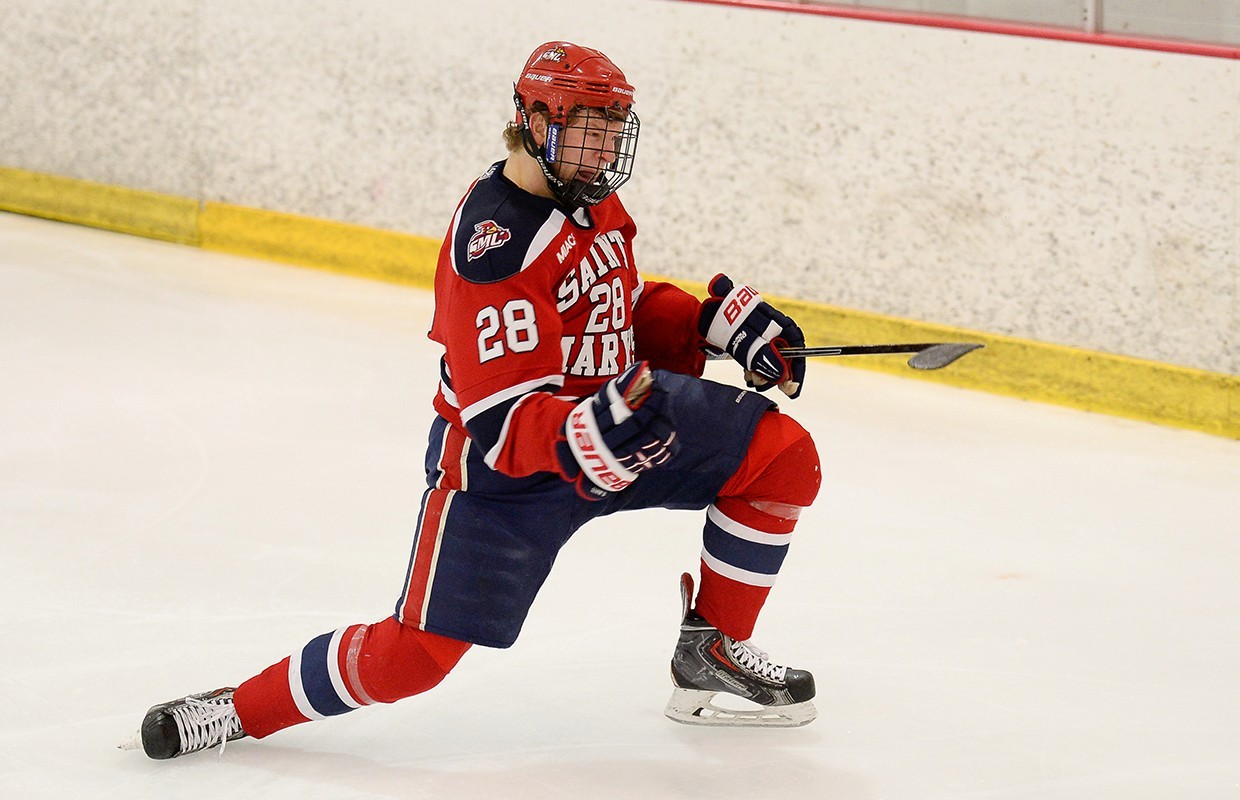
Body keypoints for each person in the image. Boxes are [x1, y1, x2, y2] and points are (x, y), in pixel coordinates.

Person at [131, 41, 822, 759]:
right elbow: (504, 422)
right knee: (412, 660)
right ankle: (239, 710)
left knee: (781, 458)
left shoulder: (584, 194)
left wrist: (707, 325)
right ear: (531, 120)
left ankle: (712, 651)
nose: (602, 150)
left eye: (613, 130)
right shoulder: (494, 245)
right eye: (588, 128)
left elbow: (605, 309)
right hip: (509, 476)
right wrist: (590, 434)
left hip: (618, 422)